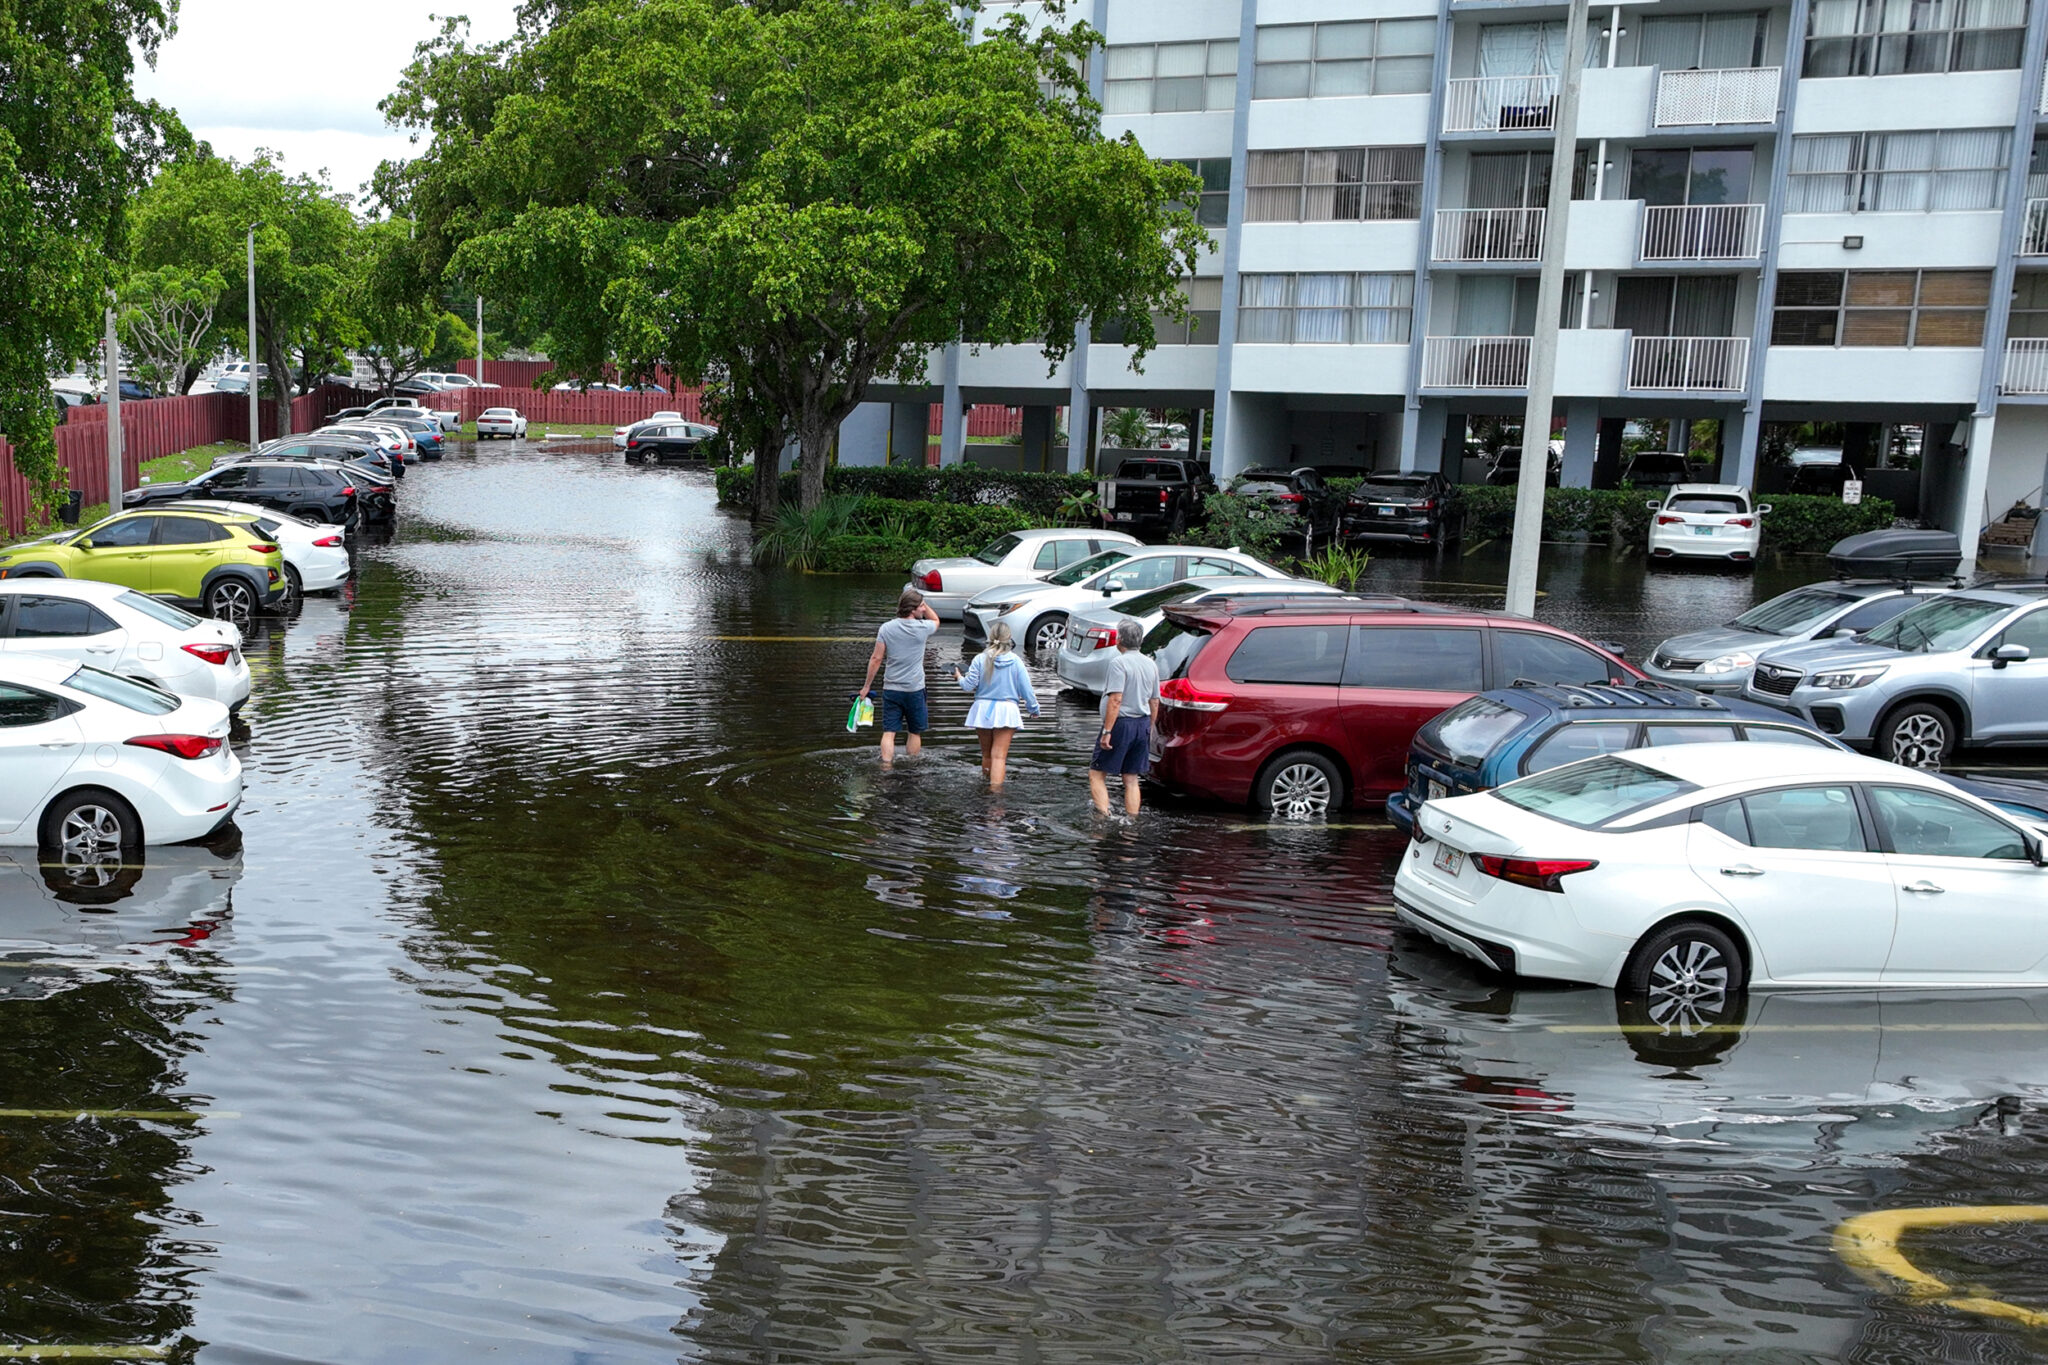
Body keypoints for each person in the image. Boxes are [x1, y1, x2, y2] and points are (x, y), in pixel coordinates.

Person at [952, 622, 1040, 790]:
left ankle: (985, 788)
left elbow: (968, 686)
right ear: (1009, 638)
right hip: (1007, 710)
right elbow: (1027, 690)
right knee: (999, 757)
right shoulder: (1016, 661)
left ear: (990, 637)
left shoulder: (980, 659)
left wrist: (959, 677)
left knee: (986, 754)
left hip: (983, 710)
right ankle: (996, 794)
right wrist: (1033, 709)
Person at [860, 588, 940, 765]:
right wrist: (926, 606)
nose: (923, 609)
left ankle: (886, 766)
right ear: (913, 609)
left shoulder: (886, 628)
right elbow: (936, 620)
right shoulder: (923, 628)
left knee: (889, 732)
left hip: (892, 688)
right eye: (920, 606)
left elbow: (876, 659)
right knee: (914, 731)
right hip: (915, 689)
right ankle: (912, 766)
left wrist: (866, 686)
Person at [1090, 617, 1161, 817]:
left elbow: (1116, 699)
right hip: (1142, 723)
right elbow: (1154, 701)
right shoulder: (1151, 664)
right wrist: (1150, 729)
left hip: (1121, 724)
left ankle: (1102, 818)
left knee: (1096, 774)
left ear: (1119, 639)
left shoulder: (1118, 663)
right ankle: (1132, 822)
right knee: (1131, 778)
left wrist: (1107, 731)